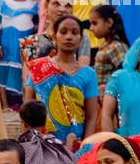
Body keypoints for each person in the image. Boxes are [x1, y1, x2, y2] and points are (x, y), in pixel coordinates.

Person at [23, 14, 99, 150]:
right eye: (63, 32)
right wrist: (29, 146)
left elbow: (91, 116)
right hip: (41, 145)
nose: (69, 37)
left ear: (81, 39)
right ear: (54, 36)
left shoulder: (88, 74)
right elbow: (27, 110)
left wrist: (85, 148)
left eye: (74, 33)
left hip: (75, 146)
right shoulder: (39, 68)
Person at [89, 4, 129, 98]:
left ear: (109, 22)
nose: (91, 28)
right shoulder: (105, 45)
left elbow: (128, 75)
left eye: (94, 23)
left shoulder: (116, 47)